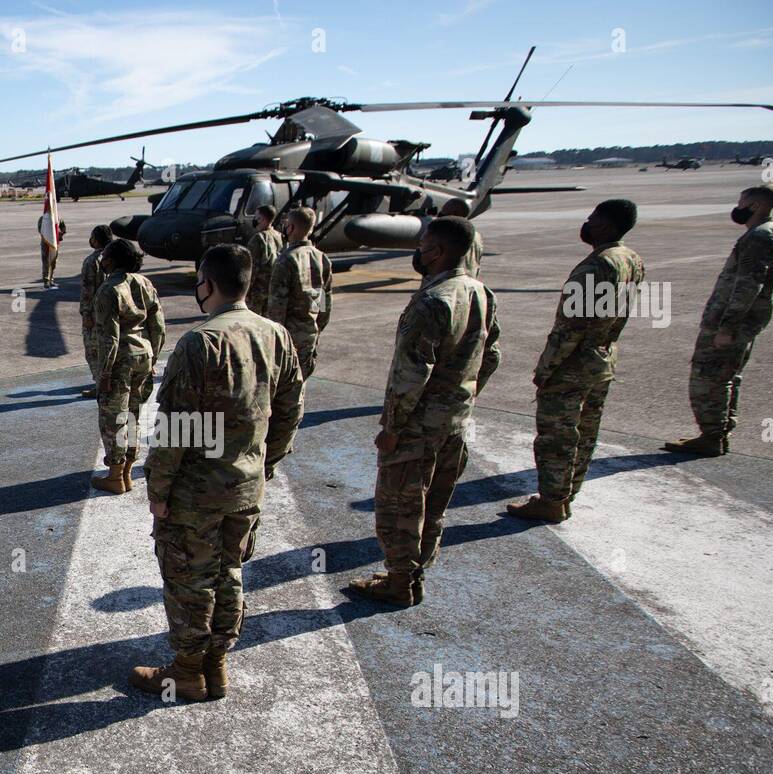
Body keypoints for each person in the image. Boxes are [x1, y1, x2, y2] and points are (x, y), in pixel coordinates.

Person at [132, 244, 304, 701]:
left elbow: (175, 427)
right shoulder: (276, 334)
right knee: (229, 571)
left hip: (197, 490)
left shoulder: (200, 342)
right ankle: (217, 665)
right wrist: (265, 463)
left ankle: (188, 671)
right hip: (246, 486)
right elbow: (290, 409)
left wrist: (159, 487)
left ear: (206, 284)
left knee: (189, 579)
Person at [350, 217, 500, 607]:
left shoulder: (433, 301)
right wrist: (461, 397)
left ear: (440, 252)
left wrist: (392, 427)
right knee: (433, 504)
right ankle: (415, 574)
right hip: (454, 422)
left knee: (399, 505)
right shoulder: (480, 292)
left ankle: (399, 582)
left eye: (423, 246)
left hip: (417, 426)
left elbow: (411, 373)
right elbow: (491, 355)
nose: (418, 252)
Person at [508, 200, 645, 522]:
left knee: (557, 437)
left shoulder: (596, 265)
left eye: (593, 219)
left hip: (574, 364)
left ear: (608, 225)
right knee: (585, 432)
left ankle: (552, 500)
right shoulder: (632, 259)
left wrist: (547, 367)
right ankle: (567, 495)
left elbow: (571, 326)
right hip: (603, 357)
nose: (587, 223)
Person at [663, 183, 773, 457]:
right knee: (727, 377)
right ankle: (718, 434)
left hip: (732, 324)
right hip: (748, 322)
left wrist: (727, 327)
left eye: (742, 202)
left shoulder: (759, 237)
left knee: (707, 378)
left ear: (755, 206)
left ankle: (711, 437)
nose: (738, 207)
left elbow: (748, 285)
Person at [90, 238, 165, 494]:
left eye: (106, 256)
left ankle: (114, 476)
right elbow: (159, 327)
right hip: (143, 355)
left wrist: (105, 373)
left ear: (113, 260)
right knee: (133, 415)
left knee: (113, 419)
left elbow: (108, 337)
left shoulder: (108, 290)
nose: (102, 260)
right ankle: (127, 474)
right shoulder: (145, 283)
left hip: (120, 360)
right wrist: (153, 359)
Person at [268, 206, 332, 379]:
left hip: (288, 338)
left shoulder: (286, 260)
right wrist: (316, 328)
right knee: (300, 387)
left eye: (287, 224)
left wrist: (275, 338)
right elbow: (324, 301)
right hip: (309, 334)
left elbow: (277, 306)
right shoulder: (321, 258)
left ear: (292, 228)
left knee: (283, 390)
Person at [79, 225, 114, 399]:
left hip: (96, 314)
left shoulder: (91, 261)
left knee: (93, 351)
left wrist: (86, 315)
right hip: (114, 314)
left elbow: (87, 291)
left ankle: (100, 385)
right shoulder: (115, 257)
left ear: (96, 239)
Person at [245, 204, 283, 316]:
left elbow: (252, 267)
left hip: (258, 291)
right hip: (272, 288)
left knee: (253, 321)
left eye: (257, 217)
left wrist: (246, 289)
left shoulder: (258, 239)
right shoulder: (278, 236)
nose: (255, 220)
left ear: (263, 219)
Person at [438, 198, 482, 277]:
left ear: (454, 213)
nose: (441, 213)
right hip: (470, 279)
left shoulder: (445, 233)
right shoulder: (476, 235)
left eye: (444, 210)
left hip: (447, 280)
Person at [38, 215, 66, 287]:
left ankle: (51, 279)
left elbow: (63, 228)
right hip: (46, 243)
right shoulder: (43, 218)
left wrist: (60, 233)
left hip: (54, 243)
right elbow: (40, 229)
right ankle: (46, 281)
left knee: (53, 262)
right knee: (46, 262)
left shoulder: (58, 218)